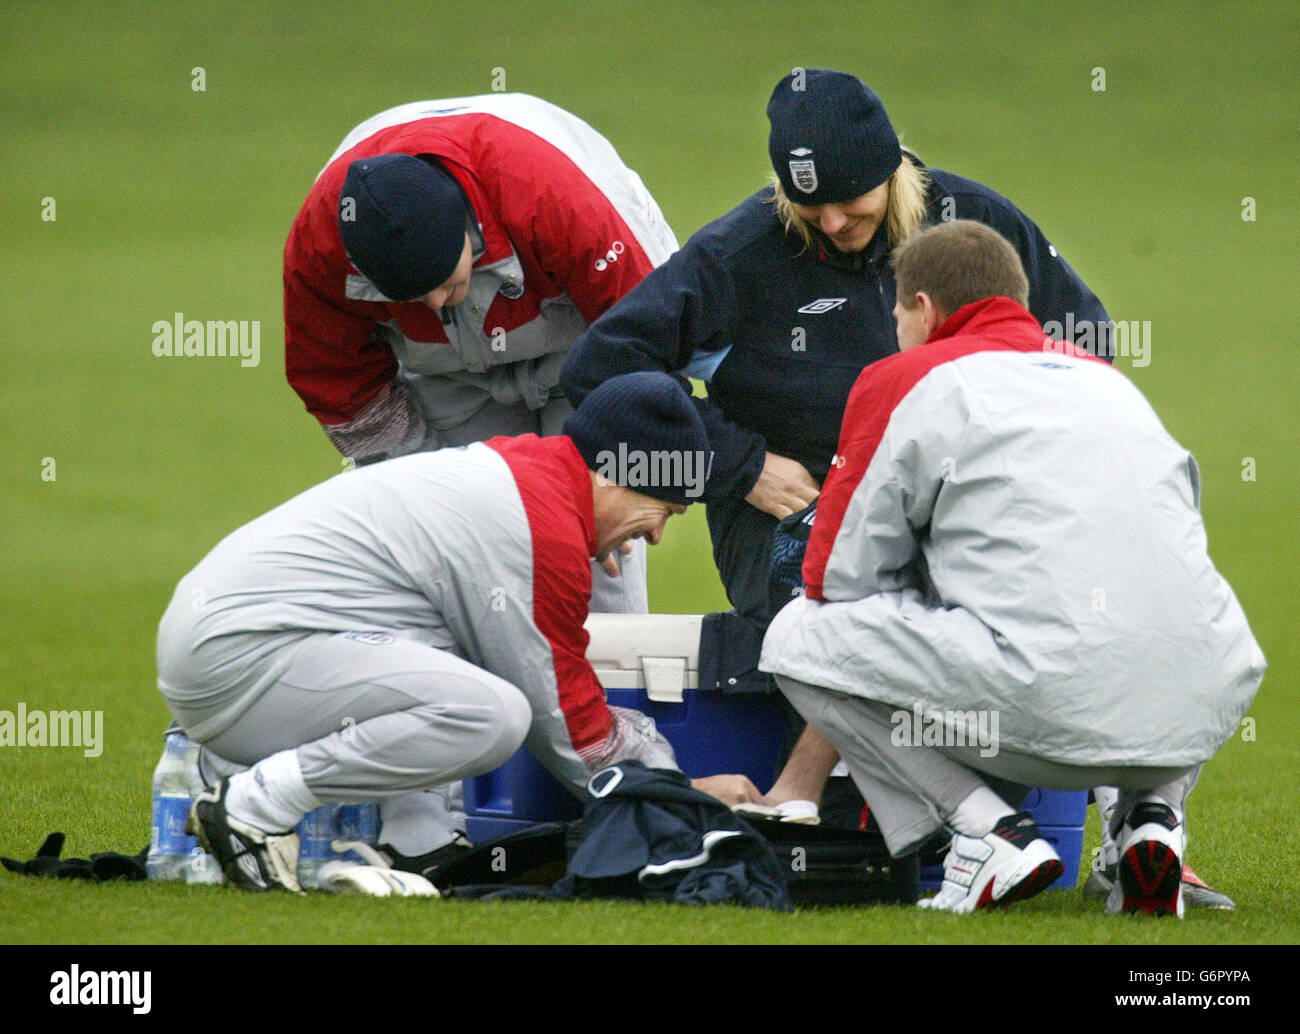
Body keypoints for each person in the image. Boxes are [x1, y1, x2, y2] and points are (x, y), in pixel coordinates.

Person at [758, 220, 1265, 915]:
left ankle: (988, 833)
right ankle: (1149, 824)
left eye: (899, 315)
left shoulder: (908, 376)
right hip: (1196, 704)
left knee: (796, 634)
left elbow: (838, 579)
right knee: (1166, 619)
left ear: (926, 310)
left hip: (1038, 715)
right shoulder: (1108, 381)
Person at [157, 373, 760, 892]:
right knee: (493, 715)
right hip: (241, 661)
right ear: (618, 475)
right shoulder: (539, 525)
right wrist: (685, 797)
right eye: (666, 511)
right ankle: (252, 807)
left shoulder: (525, 475)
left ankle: (405, 841)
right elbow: (572, 730)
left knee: (461, 678)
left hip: (229, 648)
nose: (654, 537)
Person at [281, 93, 680, 862]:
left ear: (474, 229)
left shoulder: (556, 196)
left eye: (444, 278)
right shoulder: (319, 249)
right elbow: (339, 383)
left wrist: (612, 492)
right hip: (442, 382)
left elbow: (648, 350)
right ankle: (426, 829)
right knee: (436, 574)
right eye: (413, 296)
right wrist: (434, 508)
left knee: (600, 585)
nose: (436, 301)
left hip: (589, 357)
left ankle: (612, 807)